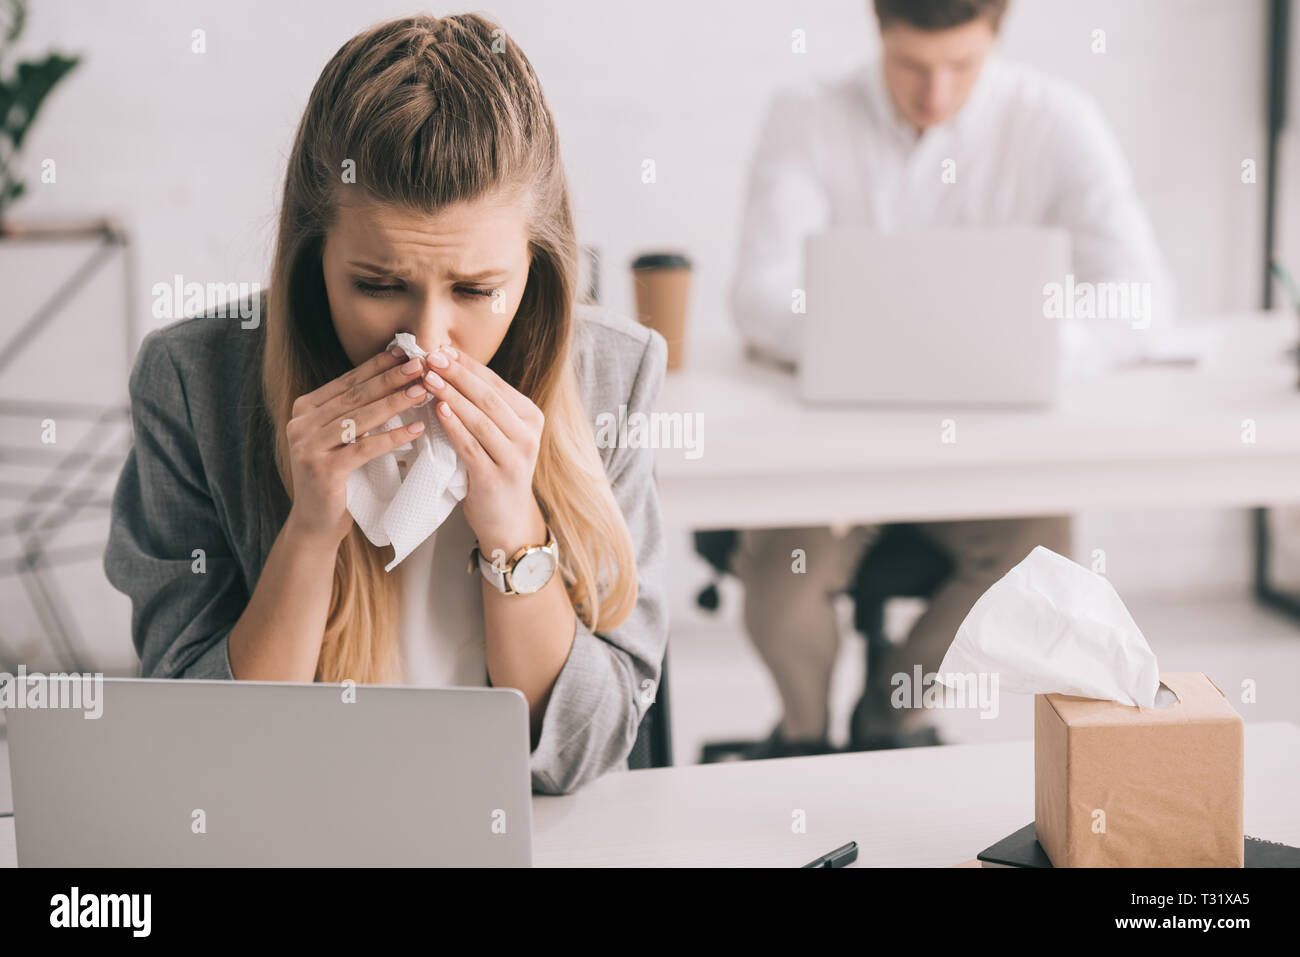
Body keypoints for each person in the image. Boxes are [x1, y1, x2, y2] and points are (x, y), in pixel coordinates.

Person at [103, 13, 668, 796]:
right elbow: (202, 755)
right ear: (312, 258)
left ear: (537, 265)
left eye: (475, 290)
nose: (429, 339)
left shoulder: (613, 374)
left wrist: (513, 530)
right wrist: (309, 532)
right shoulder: (192, 384)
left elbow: (587, 748)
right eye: (376, 285)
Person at [727, 0, 1173, 756]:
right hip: (837, 449)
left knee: (1042, 559)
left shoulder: (1058, 121)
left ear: (996, 36)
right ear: (878, 30)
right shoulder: (805, 115)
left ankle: (891, 716)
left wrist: (1023, 345)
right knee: (781, 586)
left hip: (985, 454)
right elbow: (758, 293)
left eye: (961, 67)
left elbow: (1143, 296)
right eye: (910, 65)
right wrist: (876, 342)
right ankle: (802, 744)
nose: (934, 93)